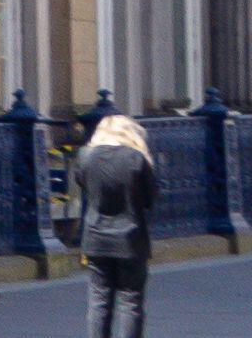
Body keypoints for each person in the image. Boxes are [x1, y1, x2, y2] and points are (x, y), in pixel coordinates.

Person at [75, 108, 161, 338]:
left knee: (99, 300)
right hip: (130, 239)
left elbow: (83, 184)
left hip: (95, 238)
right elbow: (150, 198)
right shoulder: (136, 159)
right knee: (130, 301)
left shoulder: (86, 156)